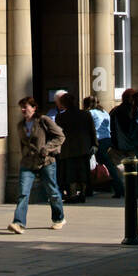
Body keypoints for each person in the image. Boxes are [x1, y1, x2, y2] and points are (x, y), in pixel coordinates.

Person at [8, 97, 65, 233]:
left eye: (25, 107)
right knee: (23, 193)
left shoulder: (43, 121)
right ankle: (19, 223)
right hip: (28, 163)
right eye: (21, 107)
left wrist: (47, 148)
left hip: (46, 162)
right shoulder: (20, 125)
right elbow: (23, 145)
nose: (23, 110)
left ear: (34, 108)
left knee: (52, 192)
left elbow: (60, 136)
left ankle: (59, 218)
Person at [56, 93, 97, 202]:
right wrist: (94, 144)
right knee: (83, 172)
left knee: (70, 174)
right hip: (84, 148)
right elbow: (92, 130)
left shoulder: (61, 116)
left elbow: (57, 133)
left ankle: (72, 195)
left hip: (68, 149)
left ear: (64, 104)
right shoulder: (85, 114)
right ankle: (83, 193)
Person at [85, 95, 124, 198]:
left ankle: (89, 189)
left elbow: (89, 129)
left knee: (88, 165)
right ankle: (119, 188)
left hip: (97, 141)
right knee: (109, 165)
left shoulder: (90, 113)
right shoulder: (104, 112)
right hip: (107, 139)